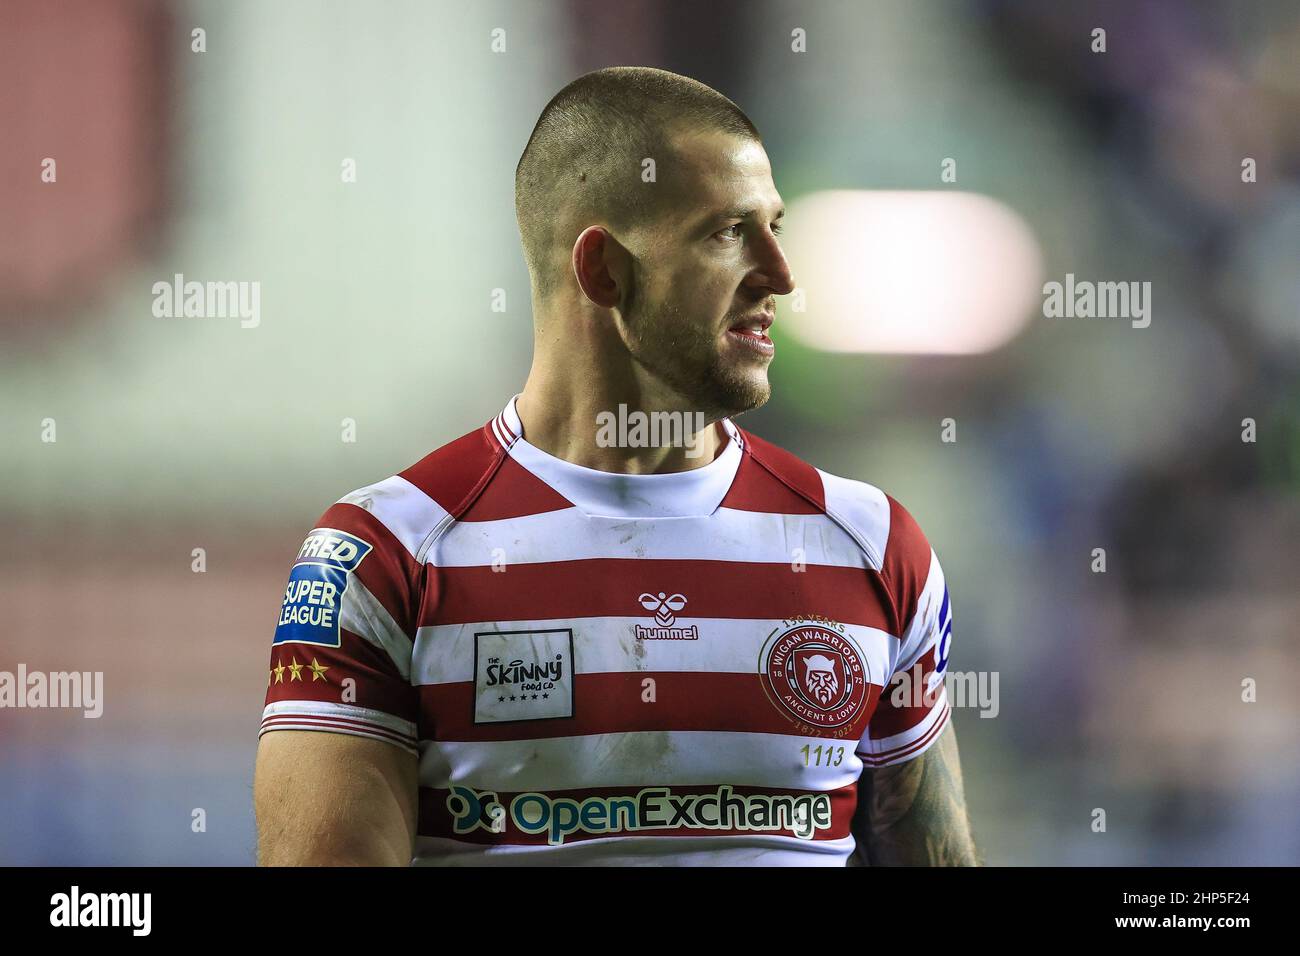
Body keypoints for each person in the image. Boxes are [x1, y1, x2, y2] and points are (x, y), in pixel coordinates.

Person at [254, 66, 978, 866]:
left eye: (778, 227)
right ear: (602, 269)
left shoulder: (875, 546)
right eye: (729, 233)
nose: (781, 274)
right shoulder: (383, 556)